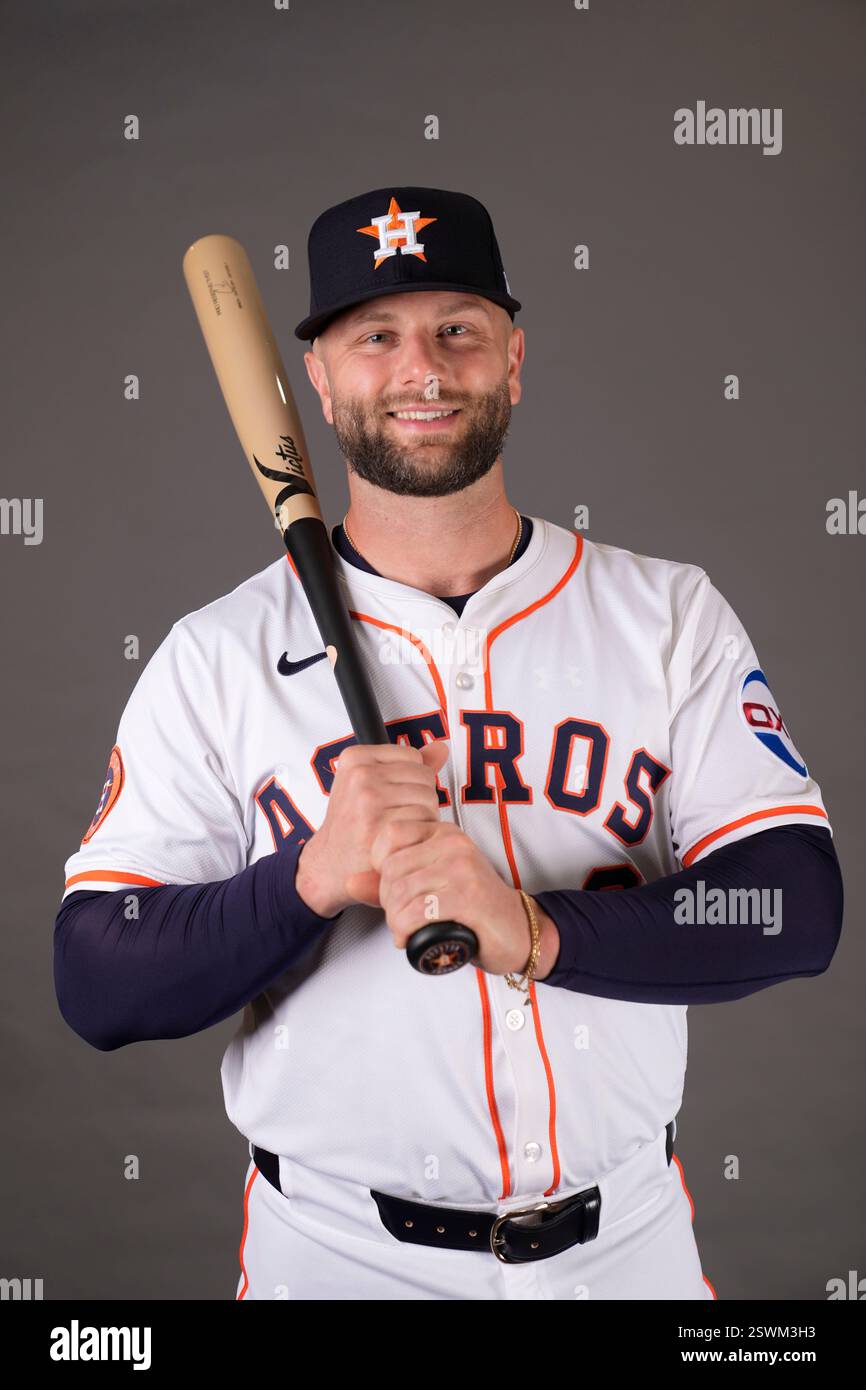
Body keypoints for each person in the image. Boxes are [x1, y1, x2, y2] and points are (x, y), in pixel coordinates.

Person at [55, 186, 843, 1300]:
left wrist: (533, 930)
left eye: (455, 330)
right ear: (318, 381)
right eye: (374, 334)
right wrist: (309, 881)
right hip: (337, 1259)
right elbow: (96, 976)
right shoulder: (216, 654)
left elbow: (793, 908)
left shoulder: (666, 614)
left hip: (625, 1254)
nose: (420, 368)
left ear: (511, 360)